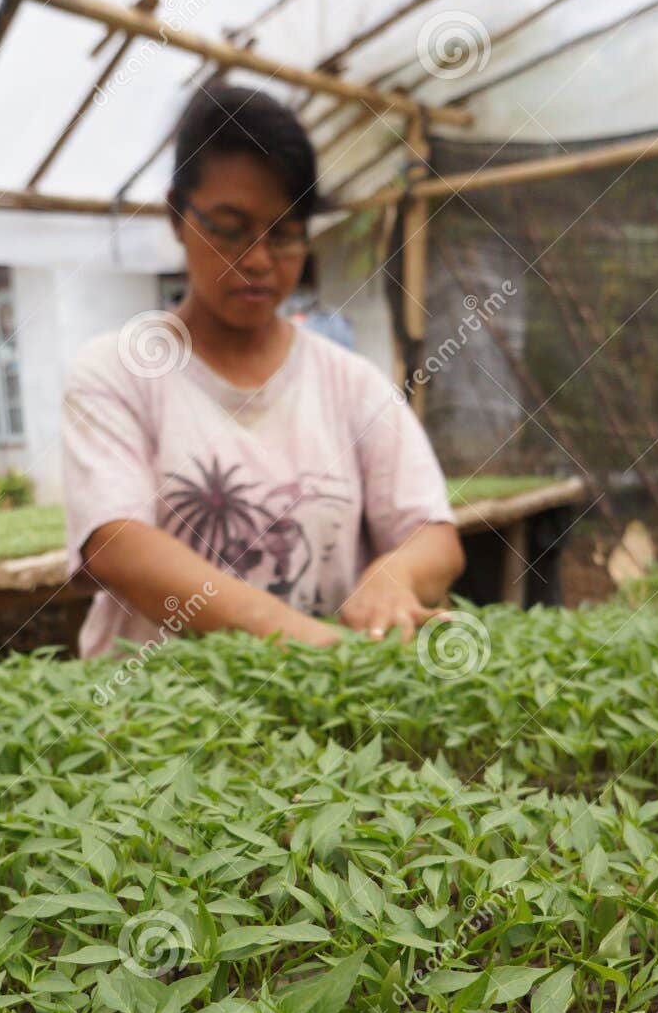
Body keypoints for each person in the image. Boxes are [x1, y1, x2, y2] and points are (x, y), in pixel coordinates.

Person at [62, 84, 463, 659]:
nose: (256, 260)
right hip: (147, 726)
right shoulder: (117, 372)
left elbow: (434, 533)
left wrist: (394, 578)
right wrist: (302, 640)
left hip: (317, 719)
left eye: (283, 234)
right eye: (229, 228)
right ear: (178, 216)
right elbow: (115, 544)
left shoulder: (351, 384)